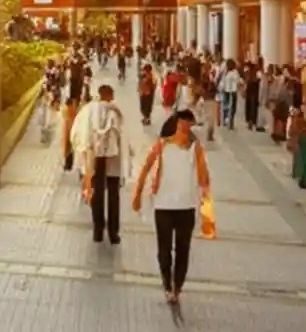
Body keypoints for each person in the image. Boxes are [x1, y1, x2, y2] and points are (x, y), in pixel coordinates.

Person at [133, 109, 210, 306]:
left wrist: (206, 204)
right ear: (177, 123)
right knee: (164, 249)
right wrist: (137, 194)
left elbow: (204, 179)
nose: (185, 127)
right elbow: (146, 167)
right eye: (182, 123)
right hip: (163, 204)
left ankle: (177, 287)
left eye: (188, 124)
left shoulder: (196, 148)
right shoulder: (162, 145)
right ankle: (167, 285)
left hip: (187, 206)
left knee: (183, 249)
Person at [76, 84, 126, 244]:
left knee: (96, 193)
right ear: (110, 95)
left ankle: (98, 230)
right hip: (113, 158)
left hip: (94, 157)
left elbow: (78, 133)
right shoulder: (116, 112)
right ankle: (113, 233)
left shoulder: (88, 111)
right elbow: (122, 136)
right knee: (113, 194)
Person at [288, 107, 306, 189]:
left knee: (298, 159)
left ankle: (299, 175)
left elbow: (291, 132)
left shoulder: (295, 122)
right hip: (304, 145)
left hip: (298, 143)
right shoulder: (304, 122)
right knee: (305, 159)